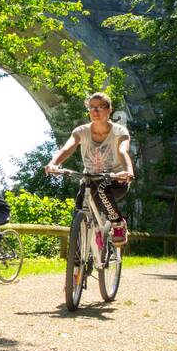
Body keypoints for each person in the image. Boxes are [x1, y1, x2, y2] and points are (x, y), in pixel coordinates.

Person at [46, 92, 135, 247]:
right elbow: (68, 148)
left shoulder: (119, 132)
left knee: (103, 189)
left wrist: (127, 171)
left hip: (115, 180)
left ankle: (117, 222)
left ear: (109, 110)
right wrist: (54, 163)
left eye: (100, 107)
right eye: (92, 107)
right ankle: (76, 267)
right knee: (77, 220)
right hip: (90, 180)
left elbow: (123, 151)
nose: (95, 111)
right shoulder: (81, 131)